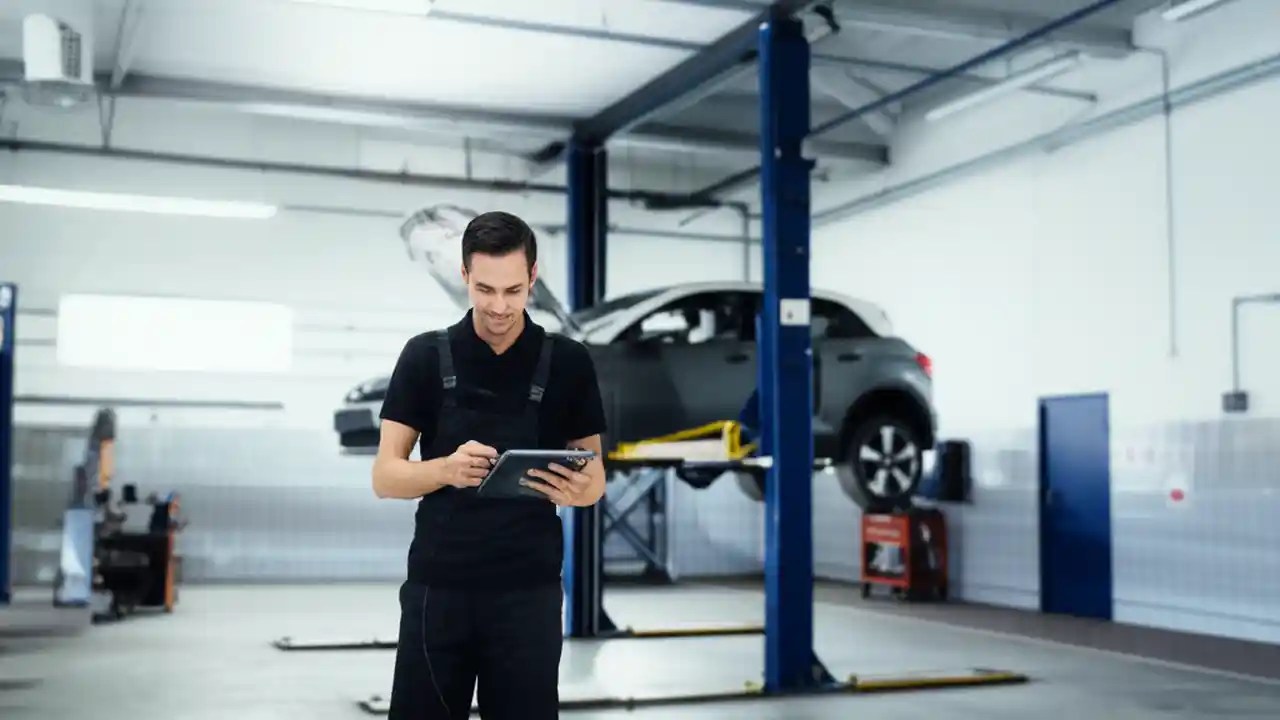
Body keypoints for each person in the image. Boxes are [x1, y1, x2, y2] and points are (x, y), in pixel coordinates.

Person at [372, 210, 608, 719]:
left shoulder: (568, 361)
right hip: (439, 592)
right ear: (464, 277)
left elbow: (595, 480)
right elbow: (385, 476)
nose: (499, 306)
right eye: (484, 290)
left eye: (513, 290)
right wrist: (444, 470)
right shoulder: (423, 357)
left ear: (532, 279)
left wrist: (577, 490)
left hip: (530, 595)